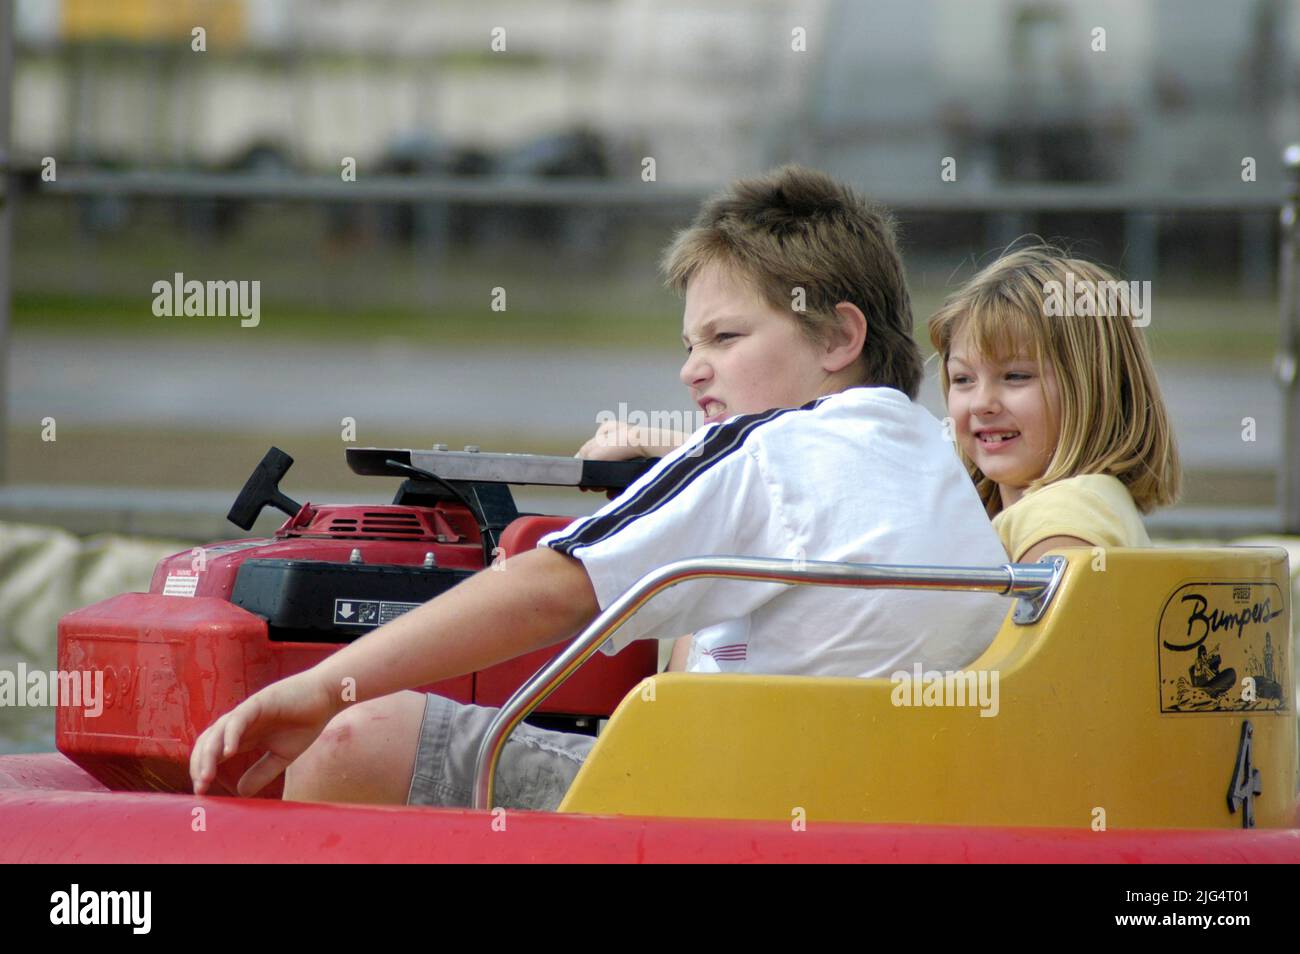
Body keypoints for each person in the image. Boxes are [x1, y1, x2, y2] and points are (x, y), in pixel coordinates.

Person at [189, 165, 1009, 811]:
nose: (693, 370)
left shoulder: (761, 451)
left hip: (729, 806)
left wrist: (311, 690)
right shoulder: (933, 459)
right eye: (691, 344)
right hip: (870, 796)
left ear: (839, 335)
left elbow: (553, 590)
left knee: (355, 737)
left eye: (725, 337)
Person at [927, 245, 1181, 563]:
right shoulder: (1087, 503)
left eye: (1016, 376)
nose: (981, 404)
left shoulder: (1062, 518)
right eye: (963, 379)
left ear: (1095, 388)